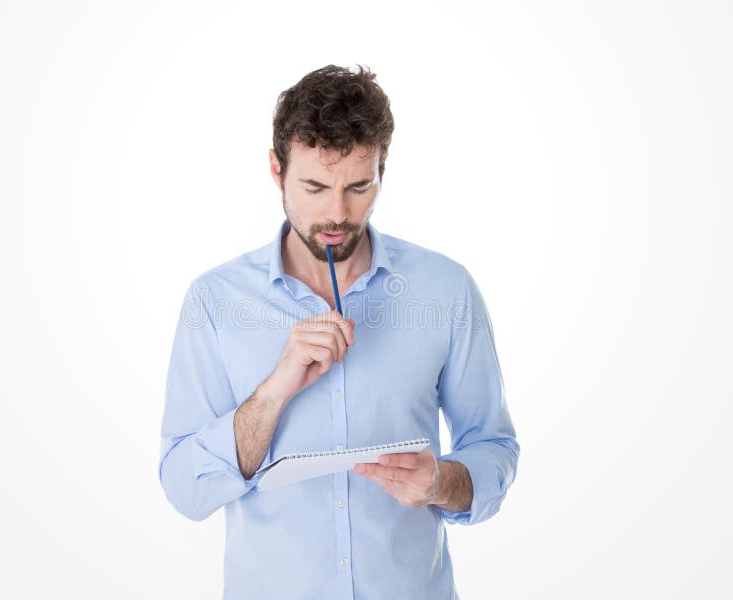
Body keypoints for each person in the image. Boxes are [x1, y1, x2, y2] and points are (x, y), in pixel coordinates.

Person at [158, 64, 519, 600]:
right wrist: (274, 390)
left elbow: (493, 447)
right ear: (277, 171)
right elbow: (185, 487)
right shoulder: (213, 302)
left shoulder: (445, 289)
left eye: (359, 186)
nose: (337, 213)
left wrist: (441, 482)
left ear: (381, 171)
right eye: (314, 186)